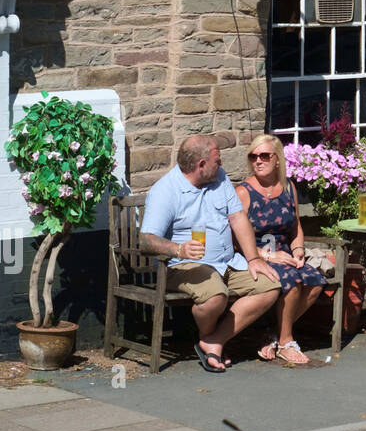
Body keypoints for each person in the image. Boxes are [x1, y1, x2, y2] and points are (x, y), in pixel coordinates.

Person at [140, 134, 281, 372]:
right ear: (201, 165)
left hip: (228, 262)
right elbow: (146, 239)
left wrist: (254, 259)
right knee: (216, 295)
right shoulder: (166, 191)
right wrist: (178, 249)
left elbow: (237, 217)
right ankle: (211, 341)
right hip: (184, 267)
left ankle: (213, 341)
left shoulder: (219, 178)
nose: (222, 164)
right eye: (218, 160)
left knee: (270, 285)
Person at [236, 133, 327, 365]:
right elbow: (234, 240)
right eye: (253, 156)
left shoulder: (288, 188)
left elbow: (295, 225)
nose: (258, 160)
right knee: (293, 280)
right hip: (255, 257)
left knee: (315, 281)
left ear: (277, 159)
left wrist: (298, 248)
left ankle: (273, 335)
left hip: (284, 254)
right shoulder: (244, 193)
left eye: (265, 155)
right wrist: (267, 255)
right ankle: (286, 342)